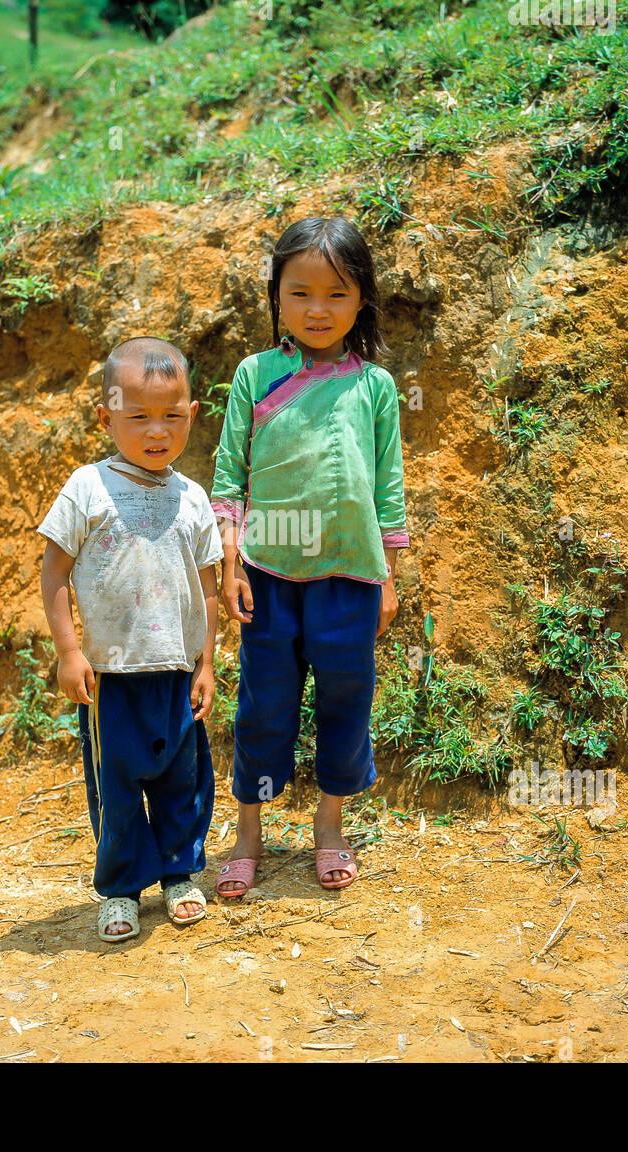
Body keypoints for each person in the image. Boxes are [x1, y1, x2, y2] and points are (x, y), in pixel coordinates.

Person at [209, 217, 408, 898]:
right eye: (299, 294)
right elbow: (229, 475)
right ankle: (248, 835)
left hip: (350, 576)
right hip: (269, 576)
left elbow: (387, 485)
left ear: (362, 300)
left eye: (336, 294)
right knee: (265, 706)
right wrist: (230, 563)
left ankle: (330, 826)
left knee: (346, 703)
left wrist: (387, 574)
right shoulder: (255, 376)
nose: (316, 310)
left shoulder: (375, 387)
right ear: (276, 298)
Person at [38, 337, 223, 941]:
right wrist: (70, 652)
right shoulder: (87, 488)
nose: (156, 431)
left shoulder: (193, 498)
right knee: (118, 789)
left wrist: (208, 665)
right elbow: (54, 572)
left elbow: (209, 589)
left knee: (182, 780)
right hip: (111, 679)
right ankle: (119, 890)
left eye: (172, 415)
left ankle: (179, 875)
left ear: (192, 415)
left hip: (176, 671)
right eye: (138, 416)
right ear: (105, 417)